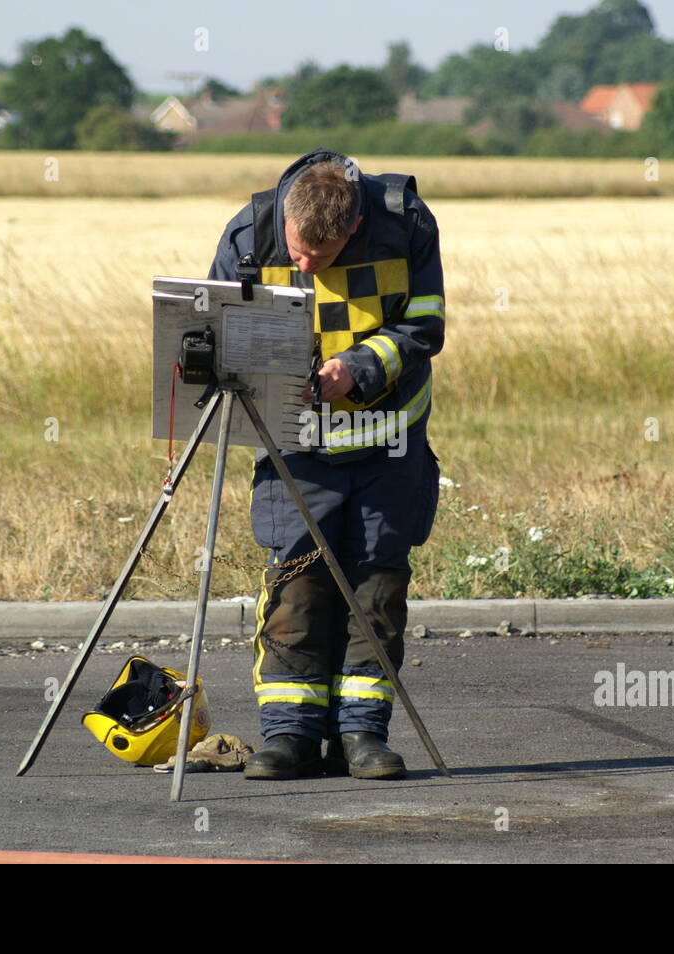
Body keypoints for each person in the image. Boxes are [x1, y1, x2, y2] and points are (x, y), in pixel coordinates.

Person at [207, 148, 445, 780]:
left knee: (376, 588)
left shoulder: (407, 223)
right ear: (285, 217)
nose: (306, 266)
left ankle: (362, 736)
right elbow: (213, 330)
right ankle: (289, 736)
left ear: (354, 228)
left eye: (324, 255)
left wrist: (358, 368)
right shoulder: (249, 232)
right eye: (297, 251)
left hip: (388, 439)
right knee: (297, 586)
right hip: (295, 445)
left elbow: (426, 326)